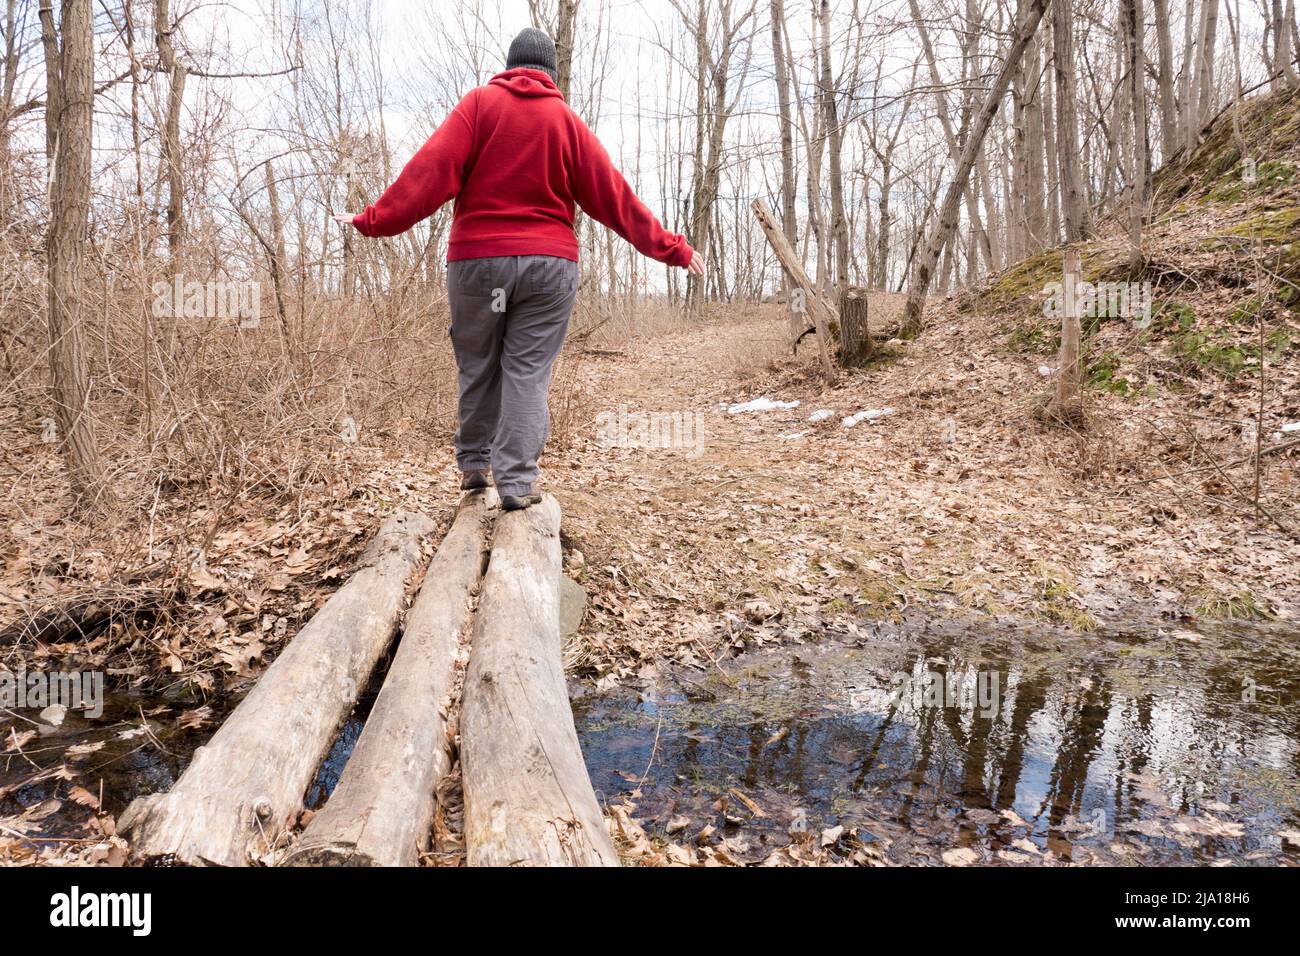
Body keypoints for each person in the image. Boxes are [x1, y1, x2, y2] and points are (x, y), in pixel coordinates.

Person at [335, 28, 704, 511]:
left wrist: (373, 220)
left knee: (478, 364)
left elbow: (430, 171)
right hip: (548, 267)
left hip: (477, 265)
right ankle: (516, 484)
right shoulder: (566, 121)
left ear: (510, 66)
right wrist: (671, 248)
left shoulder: (479, 105)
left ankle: (473, 466)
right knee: (526, 372)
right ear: (550, 74)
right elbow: (614, 197)